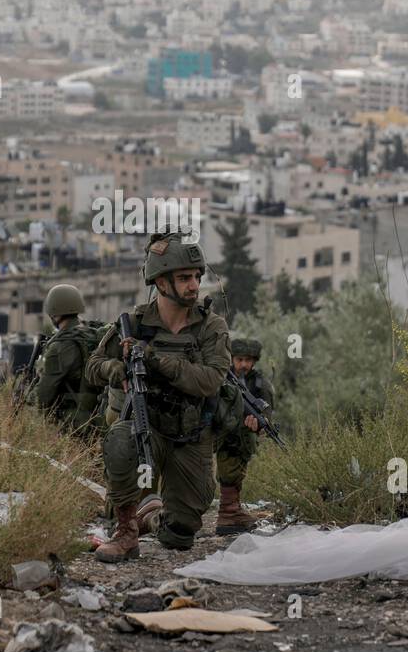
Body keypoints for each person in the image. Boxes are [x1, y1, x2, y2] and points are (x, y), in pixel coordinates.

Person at [85, 232, 230, 562]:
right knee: (121, 440)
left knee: (179, 535)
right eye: (184, 278)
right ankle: (126, 532)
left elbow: (210, 380)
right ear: (161, 281)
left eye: (196, 277)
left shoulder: (211, 327)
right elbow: (92, 366)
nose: (193, 285)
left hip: (190, 435)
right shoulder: (134, 323)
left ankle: (151, 515)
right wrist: (116, 370)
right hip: (147, 427)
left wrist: (154, 360)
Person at [212, 338, 275, 535]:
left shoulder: (259, 383)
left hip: (239, 438)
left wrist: (259, 424)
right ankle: (227, 511)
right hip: (216, 430)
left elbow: (266, 411)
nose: (244, 365)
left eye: (248, 360)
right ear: (231, 359)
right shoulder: (220, 377)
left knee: (239, 447)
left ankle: (231, 508)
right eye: (239, 359)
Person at [32, 283, 106, 440]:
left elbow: (43, 396)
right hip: (100, 415)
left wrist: (28, 396)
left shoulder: (60, 346)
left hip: (75, 423)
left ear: (54, 313)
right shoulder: (92, 333)